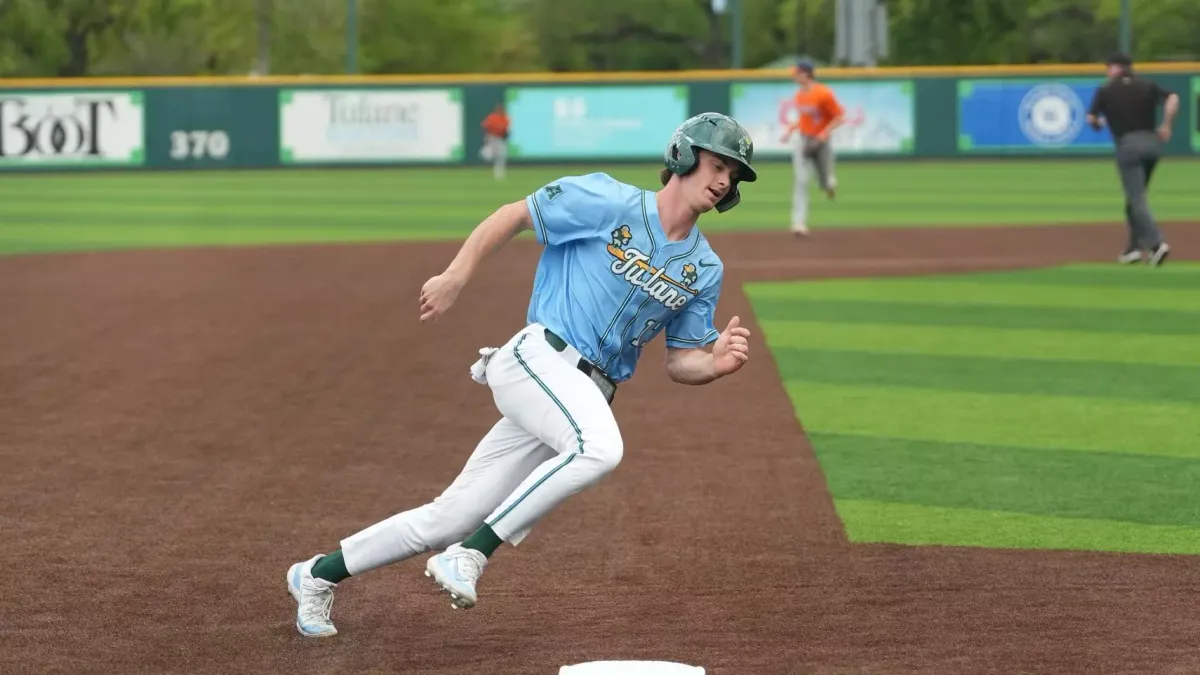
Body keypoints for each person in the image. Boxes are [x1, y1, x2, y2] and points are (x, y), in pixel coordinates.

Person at [285, 112, 758, 638]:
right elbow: (514, 214)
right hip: (538, 358)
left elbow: (679, 361)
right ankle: (471, 555)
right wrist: (455, 275)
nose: (723, 181)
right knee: (600, 449)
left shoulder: (704, 268)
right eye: (718, 164)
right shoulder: (607, 200)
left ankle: (315, 575)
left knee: (450, 515)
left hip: (581, 395)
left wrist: (712, 364)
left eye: (734, 176)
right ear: (684, 156)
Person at [1086, 52, 1178, 267]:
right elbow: (1174, 97)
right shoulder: (1147, 85)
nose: (1107, 71)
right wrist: (1166, 125)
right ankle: (1132, 250)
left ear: (1116, 68)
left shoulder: (1106, 89)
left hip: (1128, 145)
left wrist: (1097, 124)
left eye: (1109, 67)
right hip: (1152, 143)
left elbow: (1091, 118)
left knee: (1137, 198)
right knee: (1135, 198)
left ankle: (1157, 244)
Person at [780, 59, 844, 236]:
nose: (794, 75)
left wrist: (824, 134)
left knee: (824, 182)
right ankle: (798, 223)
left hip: (821, 142)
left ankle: (829, 183)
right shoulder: (799, 94)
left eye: (797, 72)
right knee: (801, 180)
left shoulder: (824, 93)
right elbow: (804, 119)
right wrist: (790, 130)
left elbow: (839, 117)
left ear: (806, 73)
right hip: (804, 140)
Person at [480, 103, 510, 180]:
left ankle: (498, 173)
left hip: (500, 139)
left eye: (501, 109)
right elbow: (484, 126)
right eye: (499, 109)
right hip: (491, 138)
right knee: (487, 156)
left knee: (501, 156)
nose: (500, 111)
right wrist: (487, 136)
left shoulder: (505, 118)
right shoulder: (492, 117)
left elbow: (505, 130)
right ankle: (483, 155)